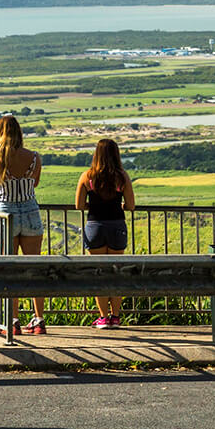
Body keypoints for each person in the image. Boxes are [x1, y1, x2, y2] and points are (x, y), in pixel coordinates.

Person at [0, 115, 47, 335]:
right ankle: (38, 319)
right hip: (30, 212)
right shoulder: (34, 157)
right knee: (34, 268)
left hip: (5, 214)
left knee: (10, 269)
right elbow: (34, 183)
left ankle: (13, 321)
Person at [75, 138, 135, 329]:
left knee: (99, 273)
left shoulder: (87, 176)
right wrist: (120, 205)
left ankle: (103, 317)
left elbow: (79, 205)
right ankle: (115, 317)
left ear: (96, 154)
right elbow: (131, 205)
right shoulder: (122, 177)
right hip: (117, 226)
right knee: (116, 272)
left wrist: (93, 205)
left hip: (95, 227)